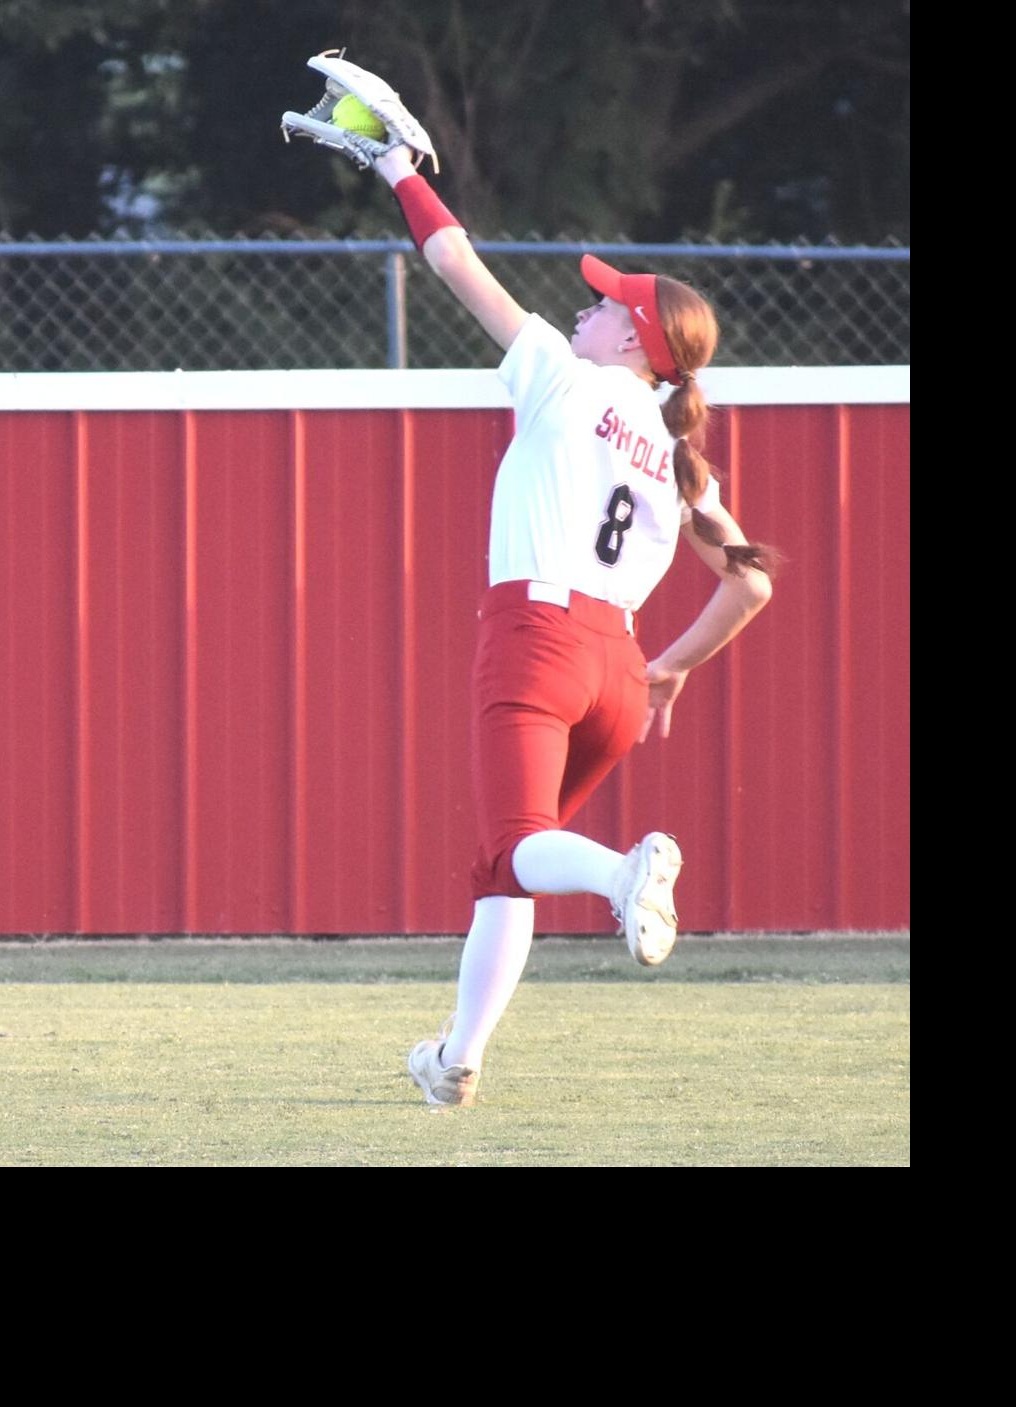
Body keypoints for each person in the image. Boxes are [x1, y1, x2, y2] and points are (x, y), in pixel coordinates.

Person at [285, 62, 776, 1108]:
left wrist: (401, 171)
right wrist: (669, 670)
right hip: (617, 672)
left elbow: (452, 259)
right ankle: (456, 1059)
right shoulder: (683, 460)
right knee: (507, 865)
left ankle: (622, 874)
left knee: (523, 846)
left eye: (605, 305)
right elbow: (750, 588)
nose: (587, 309)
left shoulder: (563, 371)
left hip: (536, 642)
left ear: (635, 340)